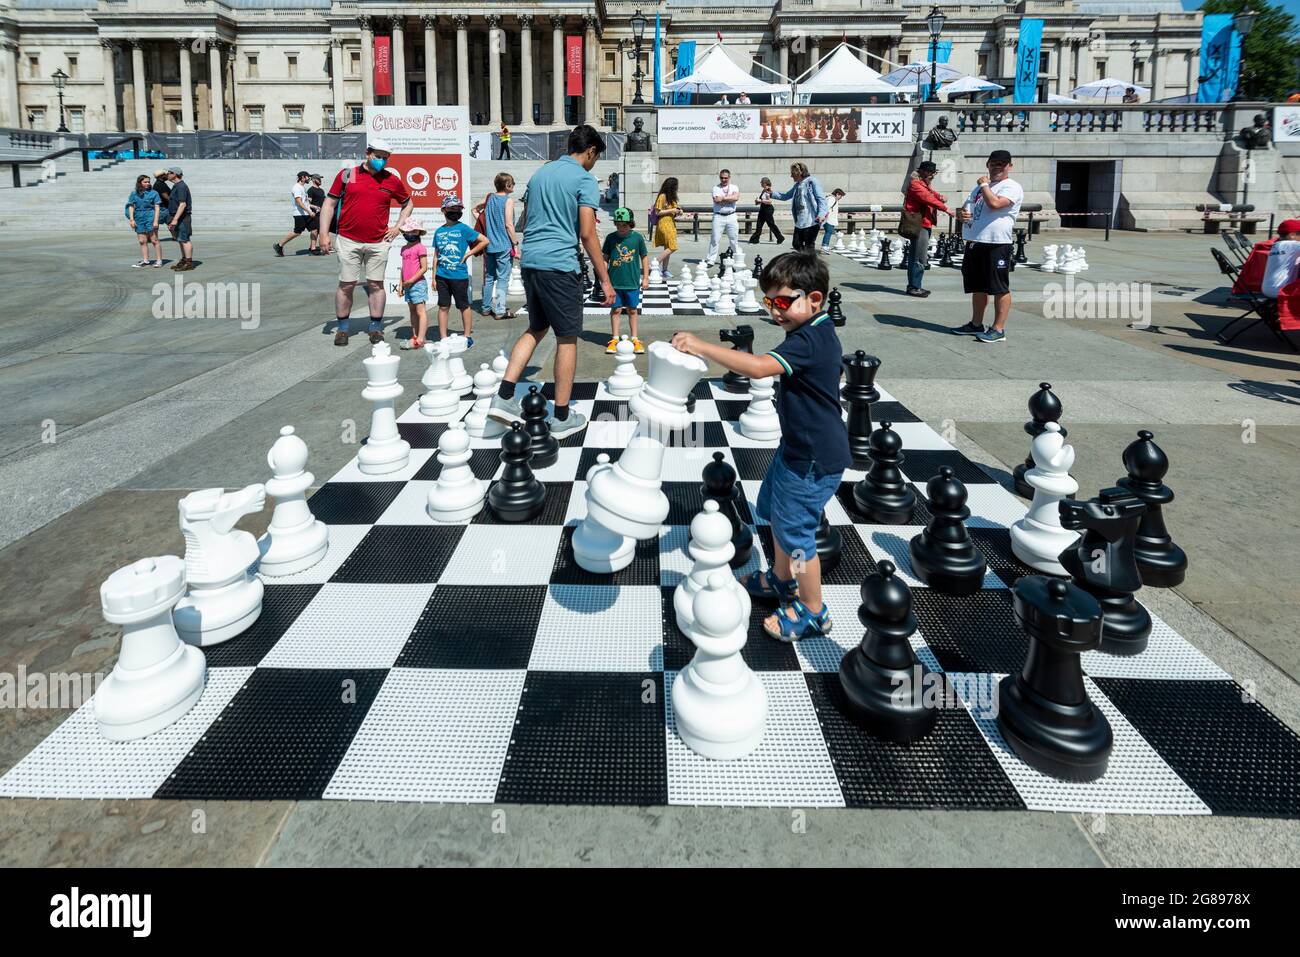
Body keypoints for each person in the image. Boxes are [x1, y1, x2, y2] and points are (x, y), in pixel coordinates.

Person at [670, 250, 848, 641]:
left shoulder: (811, 338)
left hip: (815, 458)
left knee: (799, 535)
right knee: (780, 518)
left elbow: (757, 367)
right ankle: (782, 582)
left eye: (782, 302)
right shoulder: (808, 331)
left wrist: (700, 345)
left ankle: (813, 610)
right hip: (799, 450)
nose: (774, 311)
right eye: (769, 302)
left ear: (814, 300)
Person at [487, 125, 614, 438]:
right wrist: (605, 280)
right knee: (567, 338)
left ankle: (503, 398)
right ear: (591, 152)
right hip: (560, 266)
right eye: (596, 157)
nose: (594, 163)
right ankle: (560, 416)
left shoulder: (540, 174)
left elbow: (528, 219)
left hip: (531, 262)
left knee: (536, 328)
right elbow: (587, 233)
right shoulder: (584, 180)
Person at [318, 138, 413, 346]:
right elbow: (329, 204)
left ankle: (376, 327)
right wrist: (323, 234)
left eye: (385, 158)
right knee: (346, 285)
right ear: (368, 153)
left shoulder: (391, 180)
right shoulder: (347, 175)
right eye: (378, 156)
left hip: (378, 242)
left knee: (376, 285)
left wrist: (398, 227)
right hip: (348, 240)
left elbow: (408, 203)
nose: (382, 161)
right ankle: (342, 329)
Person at [951, 149, 1024, 343]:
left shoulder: (1011, 186)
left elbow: (995, 204)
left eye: (1002, 163)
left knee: (999, 286)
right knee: (978, 286)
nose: (997, 166)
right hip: (976, 241)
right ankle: (976, 324)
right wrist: (962, 215)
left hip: (997, 243)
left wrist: (983, 184)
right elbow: (967, 209)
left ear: (1010, 166)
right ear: (988, 165)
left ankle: (998, 329)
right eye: (994, 163)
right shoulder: (979, 189)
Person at [431, 194, 488, 345]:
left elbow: (484, 240)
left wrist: (469, 253)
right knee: (443, 306)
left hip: (459, 276)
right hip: (441, 276)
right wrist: (433, 277)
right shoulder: (439, 231)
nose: (456, 211)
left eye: (458, 209)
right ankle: (443, 338)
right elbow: (436, 255)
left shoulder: (463, 228)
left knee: (463, 306)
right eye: (452, 208)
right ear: (444, 210)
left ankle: (467, 336)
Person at [602, 207, 649, 354]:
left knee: (632, 310)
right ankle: (614, 338)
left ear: (631, 224)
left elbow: (644, 257)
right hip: (614, 283)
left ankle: (635, 338)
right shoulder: (611, 238)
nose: (621, 228)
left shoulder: (637, 238)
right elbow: (605, 258)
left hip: (632, 281)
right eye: (618, 225)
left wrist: (646, 277)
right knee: (615, 310)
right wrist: (604, 279)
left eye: (625, 225)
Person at [474, 172, 519, 320]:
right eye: (512, 183)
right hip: (503, 244)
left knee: (489, 277)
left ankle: (486, 308)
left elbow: (475, 209)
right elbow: (508, 224)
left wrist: (484, 222)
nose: (514, 186)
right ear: (507, 185)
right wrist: (515, 243)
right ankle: (500, 309)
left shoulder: (490, 198)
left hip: (488, 244)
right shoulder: (508, 200)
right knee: (502, 278)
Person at [902, 161, 951, 297]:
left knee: (915, 257)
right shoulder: (916, 184)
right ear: (922, 172)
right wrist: (946, 209)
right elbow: (927, 198)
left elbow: (930, 193)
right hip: (920, 225)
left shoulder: (922, 184)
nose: (932, 176)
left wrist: (939, 196)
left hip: (924, 224)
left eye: (933, 173)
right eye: (930, 173)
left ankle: (914, 285)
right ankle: (914, 287)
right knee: (919, 258)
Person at [772, 162, 828, 251]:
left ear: (799, 172)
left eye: (793, 173)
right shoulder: (797, 185)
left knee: (809, 246)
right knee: (796, 244)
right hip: (800, 222)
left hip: (811, 221)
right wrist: (771, 193)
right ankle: (805, 261)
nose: (791, 176)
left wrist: (821, 214)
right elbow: (785, 196)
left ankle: (809, 262)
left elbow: (821, 199)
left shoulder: (812, 182)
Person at [397, 217, 431, 350]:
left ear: (419, 233)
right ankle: (416, 336)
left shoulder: (420, 248)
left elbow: (424, 267)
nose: (410, 234)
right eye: (408, 231)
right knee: (412, 311)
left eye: (414, 232)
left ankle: (421, 339)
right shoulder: (404, 248)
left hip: (418, 284)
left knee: (420, 311)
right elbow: (403, 268)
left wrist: (411, 280)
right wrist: (401, 285)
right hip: (408, 285)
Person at [125, 173, 163, 268]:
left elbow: (157, 207)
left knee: (154, 240)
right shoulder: (134, 193)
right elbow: (131, 206)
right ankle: (146, 260)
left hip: (150, 216)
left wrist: (155, 221)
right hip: (138, 217)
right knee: (142, 241)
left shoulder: (154, 193)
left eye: (148, 182)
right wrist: (131, 219)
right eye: (145, 182)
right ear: (140, 183)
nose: (147, 183)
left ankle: (159, 260)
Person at [274, 170, 314, 257]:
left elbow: (305, 202)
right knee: (297, 232)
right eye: (308, 177)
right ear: (303, 177)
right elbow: (299, 202)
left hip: (305, 213)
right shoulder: (297, 187)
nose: (309, 178)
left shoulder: (303, 187)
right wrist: (309, 211)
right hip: (300, 214)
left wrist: (313, 207)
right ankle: (279, 245)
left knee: (314, 229)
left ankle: (313, 249)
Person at [705, 168, 740, 265]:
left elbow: (736, 198)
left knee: (734, 238)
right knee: (715, 238)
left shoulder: (734, 187)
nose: (723, 180)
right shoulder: (716, 188)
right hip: (719, 216)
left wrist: (723, 198)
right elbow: (717, 200)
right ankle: (711, 259)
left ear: (729, 177)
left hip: (731, 216)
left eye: (725, 178)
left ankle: (737, 258)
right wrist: (730, 198)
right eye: (721, 178)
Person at [651, 176, 683, 274]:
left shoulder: (671, 197)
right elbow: (657, 212)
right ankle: (654, 264)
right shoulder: (662, 196)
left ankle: (665, 269)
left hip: (671, 223)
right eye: (676, 186)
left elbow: (674, 209)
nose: (677, 188)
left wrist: (679, 211)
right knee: (673, 246)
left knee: (667, 246)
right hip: (664, 223)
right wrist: (672, 210)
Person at [165, 167, 195, 271]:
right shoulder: (176, 186)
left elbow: (183, 204)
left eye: (169, 173)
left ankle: (189, 262)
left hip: (182, 218)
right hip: (176, 216)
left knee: (185, 240)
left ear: (175, 174)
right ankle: (184, 260)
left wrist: (175, 219)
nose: (167, 175)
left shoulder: (181, 186)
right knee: (180, 240)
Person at [1262, 219, 1300, 299]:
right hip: (1281, 290)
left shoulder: (1277, 245)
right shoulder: (1291, 244)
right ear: (1292, 235)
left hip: (1267, 289)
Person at [749, 176, 784, 245]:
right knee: (759, 225)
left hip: (767, 210)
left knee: (771, 225)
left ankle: (780, 237)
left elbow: (769, 201)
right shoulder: (764, 190)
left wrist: (760, 201)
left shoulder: (768, 190)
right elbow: (763, 201)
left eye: (762, 182)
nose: (761, 184)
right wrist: (757, 202)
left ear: (765, 183)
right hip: (763, 209)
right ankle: (755, 239)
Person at [306, 173, 326, 254]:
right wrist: (315, 207)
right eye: (318, 179)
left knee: (318, 230)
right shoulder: (311, 190)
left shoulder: (321, 190)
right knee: (314, 230)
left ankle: (312, 247)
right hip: (314, 213)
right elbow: (307, 203)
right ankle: (313, 249)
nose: (320, 180)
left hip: (321, 213)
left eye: (320, 179)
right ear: (314, 180)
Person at [820, 188, 845, 252]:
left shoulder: (831, 198)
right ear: (837, 194)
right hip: (829, 219)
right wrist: (825, 218)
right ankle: (824, 245)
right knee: (829, 232)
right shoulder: (832, 199)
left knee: (829, 232)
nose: (841, 197)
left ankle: (825, 245)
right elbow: (827, 208)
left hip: (830, 219)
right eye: (841, 196)